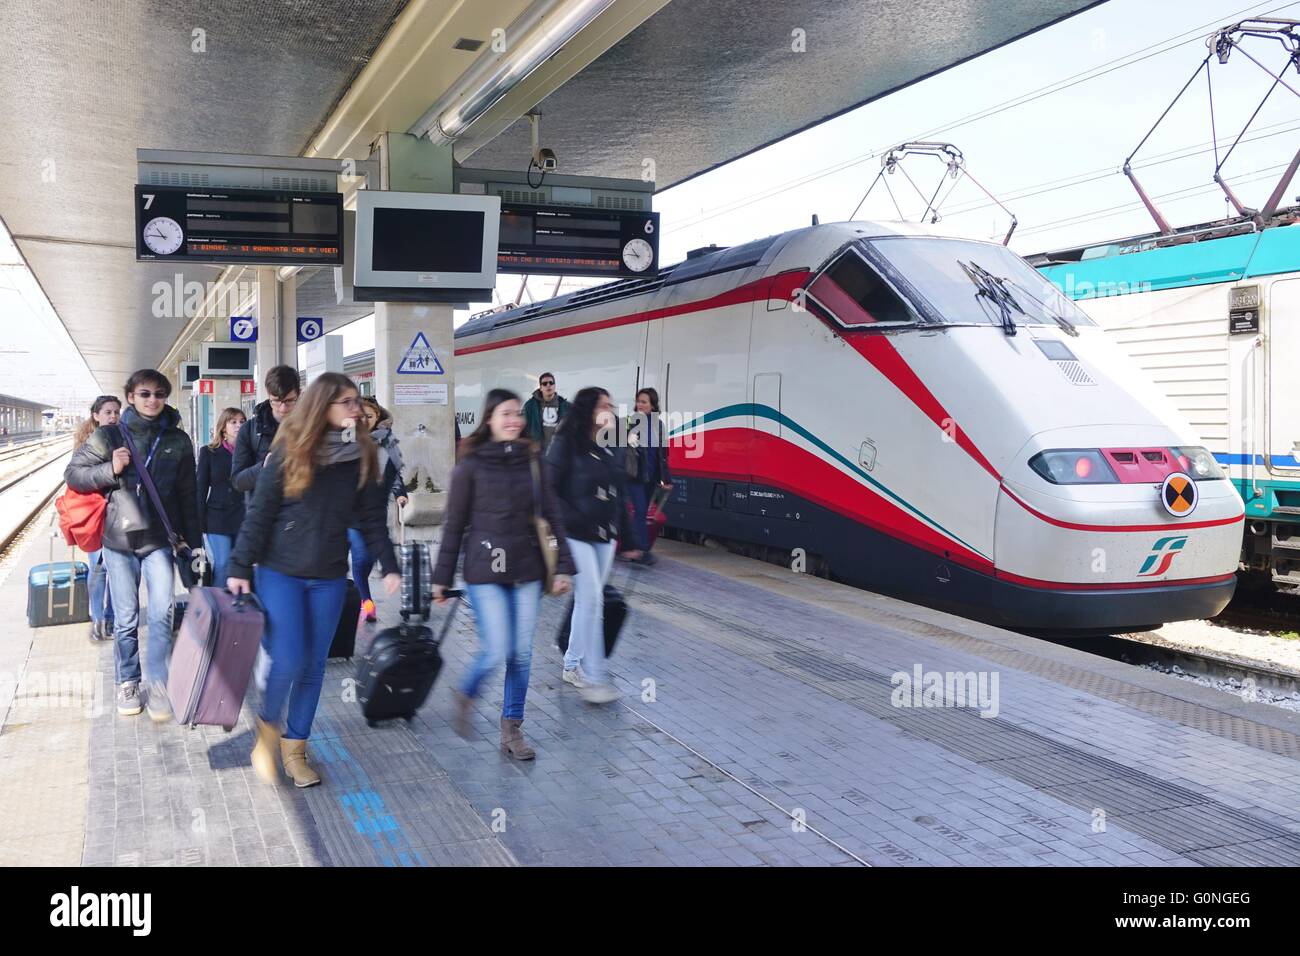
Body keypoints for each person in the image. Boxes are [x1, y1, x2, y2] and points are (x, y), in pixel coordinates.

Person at [226, 372, 399, 788]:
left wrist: (390, 564)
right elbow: (260, 513)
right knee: (287, 658)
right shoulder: (288, 451)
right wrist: (238, 567)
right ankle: (266, 737)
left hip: (327, 575)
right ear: (322, 407)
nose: (357, 410)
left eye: (358, 402)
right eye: (348, 403)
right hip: (280, 571)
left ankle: (296, 749)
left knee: (313, 665)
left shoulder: (361, 455)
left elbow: (372, 518)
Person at [432, 388, 575, 759]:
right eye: (504, 414)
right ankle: (467, 692)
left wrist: (563, 565)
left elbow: (553, 514)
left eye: (516, 413)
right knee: (497, 648)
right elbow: (454, 525)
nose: (513, 420)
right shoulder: (470, 466)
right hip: (485, 570)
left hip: (526, 569)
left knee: (522, 654)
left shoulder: (534, 461)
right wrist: (441, 577)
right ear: (489, 419)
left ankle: (512, 729)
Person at [65, 370, 199, 721]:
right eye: (144, 394)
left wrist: (194, 544)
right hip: (118, 540)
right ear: (130, 396)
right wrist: (111, 467)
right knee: (125, 619)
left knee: (161, 613)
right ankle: (128, 680)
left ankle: (157, 682)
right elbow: (74, 475)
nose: (152, 400)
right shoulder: (108, 435)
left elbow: (189, 495)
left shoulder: (179, 440)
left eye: (159, 394)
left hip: (159, 540)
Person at [546, 386, 641, 704]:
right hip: (574, 532)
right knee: (591, 600)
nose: (611, 411)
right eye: (604, 405)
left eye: (612, 405)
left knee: (589, 600)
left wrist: (628, 538)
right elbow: (548, 489)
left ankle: (572, 663)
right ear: (588, 409)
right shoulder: (566, 443)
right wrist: (563, 526)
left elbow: (619, 493)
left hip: (604, 534)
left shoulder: (612, 446)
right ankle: (595, 677)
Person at [350, 397, 407, 624]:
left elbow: (394, 475)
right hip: (350, 514)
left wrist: (400, 492)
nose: (365, 421)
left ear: (378, 418)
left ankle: (361, 588)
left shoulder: (388, 443)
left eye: (370, 416)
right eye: (360, 417)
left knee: (369, 557)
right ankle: (366, 600)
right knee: (361, 554)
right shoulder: (345, 441)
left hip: (375, 510)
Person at [73, 395, 122, 643]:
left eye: (116, 412)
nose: (113, 417)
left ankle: (111, 618)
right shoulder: (86, 444)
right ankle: (97, 619)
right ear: (96, 415)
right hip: (94, 514)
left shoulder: (125, 439)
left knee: (116, 568)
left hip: (118, 515)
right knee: (98, 568)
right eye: (108, 412)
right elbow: (78, 477)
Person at [230, 364, 300, 504]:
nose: (283, 408)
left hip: (301, 514)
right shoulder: (249, 430)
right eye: (276, 401)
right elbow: (238, 481)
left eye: (289, 401)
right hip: (263, 514)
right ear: (268, 396)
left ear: (298, 394)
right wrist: (263, 468)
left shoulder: (310, 426)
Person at [196, 407, 246, 587]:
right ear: (223, 427)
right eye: (233, 422)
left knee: (240, 567)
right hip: (218, 518)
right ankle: (219, 608)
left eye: (242, 422)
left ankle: (239, 608)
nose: (238, 426)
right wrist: (198, 523)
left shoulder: (249, 453)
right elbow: (200, 488)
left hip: (243, 516)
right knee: (223, 564)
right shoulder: (208, 452)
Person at [624, 387, 674, 566]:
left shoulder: (659, 425)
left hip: (650, 476)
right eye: (638, 401)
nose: (639, 404)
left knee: (642, 512)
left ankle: (634, 547)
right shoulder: (631, 422)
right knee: (639, 510)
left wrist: (666, 479)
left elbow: (662, 455)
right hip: (634, 475)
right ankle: (641, 550)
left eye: (644, 402)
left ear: (653, 405)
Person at [522, 372, 570, 455]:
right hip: (539, 451)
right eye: (544, 383)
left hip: (560, 450)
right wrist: (531, 443)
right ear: (540, 387)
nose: (548, 385)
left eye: (551, 383)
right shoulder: (530, 406)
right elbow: (523, 427)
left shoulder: (566, 406)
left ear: (555, 386)